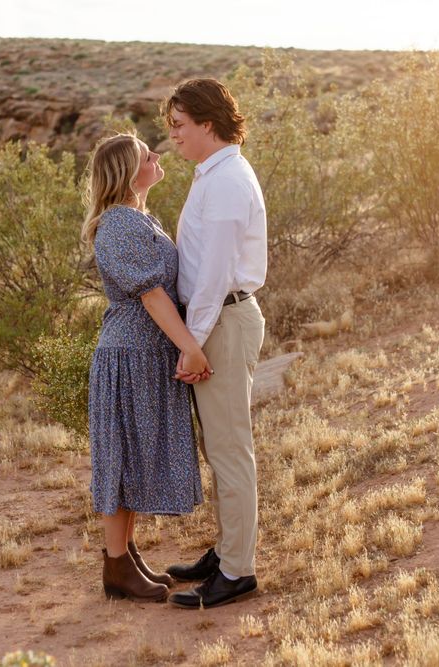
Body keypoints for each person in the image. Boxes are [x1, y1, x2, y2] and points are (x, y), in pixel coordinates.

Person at [82, 132, 211, 602]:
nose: (157, 156)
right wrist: (190, 347)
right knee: (120, 456)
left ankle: (126, 556)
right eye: (144, 155)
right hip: (129, 356)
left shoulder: (138, 219)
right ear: (125, 173)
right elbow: (152, 295)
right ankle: (116, 565)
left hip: (145, 355)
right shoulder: (117, 224)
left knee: (133, 454)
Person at [162, 79, 268, 609]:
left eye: (179, 125)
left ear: (208, 123)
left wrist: (193, 343)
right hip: (217, 322)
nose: (174, 136)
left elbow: (213, 274)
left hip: (221, 323)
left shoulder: (226, 182)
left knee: (230, 450)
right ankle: (227, 550)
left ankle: (237, 571)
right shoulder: (215, 174)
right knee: (221, 447)